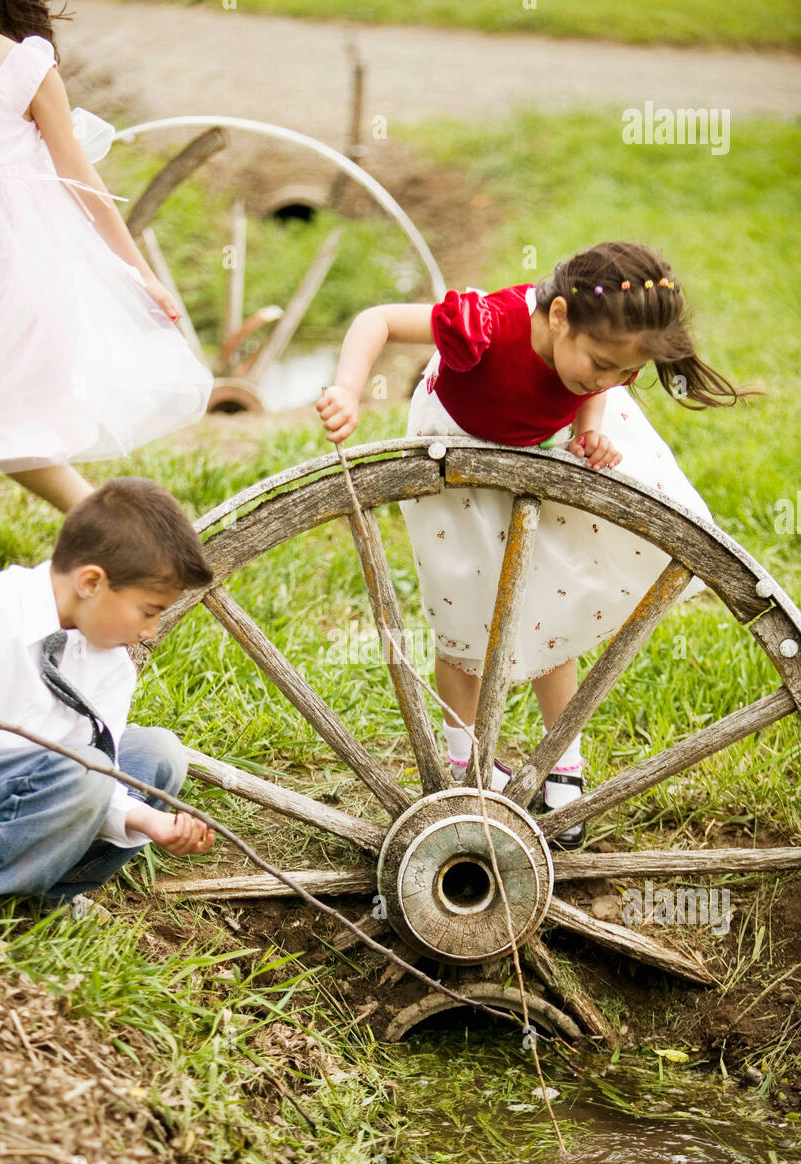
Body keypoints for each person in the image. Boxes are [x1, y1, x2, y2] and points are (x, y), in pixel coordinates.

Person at [317, 241, 753, 847]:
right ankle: (465, 761)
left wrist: (590, 427)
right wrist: (347, 389)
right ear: (557, 319)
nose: (608, 379)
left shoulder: (598, 360)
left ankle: (561, 764)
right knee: (462, 616)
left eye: (624, 373)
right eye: (601, 364)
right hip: (459, 457)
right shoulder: (484, 326)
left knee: (554, 605)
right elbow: (379, 320)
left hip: (539, 455)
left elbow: (593, 386)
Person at [0, 2, 213, 514]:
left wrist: (139, 273)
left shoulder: (23, 68)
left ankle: (110, 533)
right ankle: (109, 531)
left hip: (13, 279)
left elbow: (80, 178)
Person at [0, 477, 217, 956]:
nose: (152, 631)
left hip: (39, 795)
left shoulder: (110, 667)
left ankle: (48, 893)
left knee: (155, 755)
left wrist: (147, 822)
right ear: (92, 582)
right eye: (148, 611)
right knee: (81, 770)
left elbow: (100, 778)